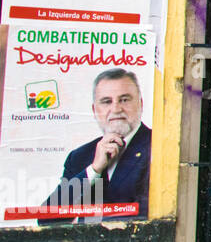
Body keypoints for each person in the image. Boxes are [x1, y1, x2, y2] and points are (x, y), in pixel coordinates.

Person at [44, 69, 152, 221]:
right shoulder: (80, 157)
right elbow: (47, 218)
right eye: (107, 101)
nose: (116, 109)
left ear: (140, 104)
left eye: (124, 100)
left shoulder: (157, 146)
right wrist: (94, 170)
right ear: (95, 110)